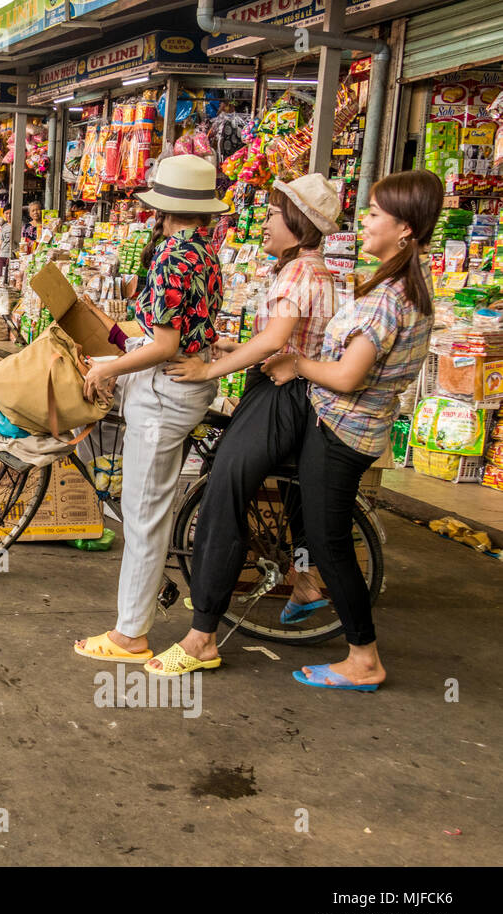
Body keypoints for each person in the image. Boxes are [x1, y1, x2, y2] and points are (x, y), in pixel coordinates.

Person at [257, 170, 442, 691]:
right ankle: (304, 587)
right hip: (349, 427)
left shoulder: (390, 295)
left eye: (376, 213)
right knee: (315, 527)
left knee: (330, 540)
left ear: (405, 228)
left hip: (344, 432)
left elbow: (346, 376)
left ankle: (363, 657)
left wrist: (296, 362)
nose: (365, 220)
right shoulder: (399, 281)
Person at [156, 174, 340, 675]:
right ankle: (304, 581)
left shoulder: (298, 275)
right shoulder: (317, 273)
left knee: (224, 496)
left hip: (282, 398)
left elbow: (279, 336)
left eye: (275, 215)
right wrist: (237, 350)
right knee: (289, 495)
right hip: (295, 393)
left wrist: (208, 368)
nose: (265, 222)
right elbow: (293, 342)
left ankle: (202, 637)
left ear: (299, 226)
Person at [73, 155, 226, 665]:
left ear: (166, 208)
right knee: (148, 510)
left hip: (164, 395)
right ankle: (140, 612)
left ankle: (130, 635)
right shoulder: (205, 253)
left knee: (142, 516)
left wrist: (107, 371)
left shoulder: (171, 258)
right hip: (182, 388)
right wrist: (117, 354)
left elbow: (163, 344)